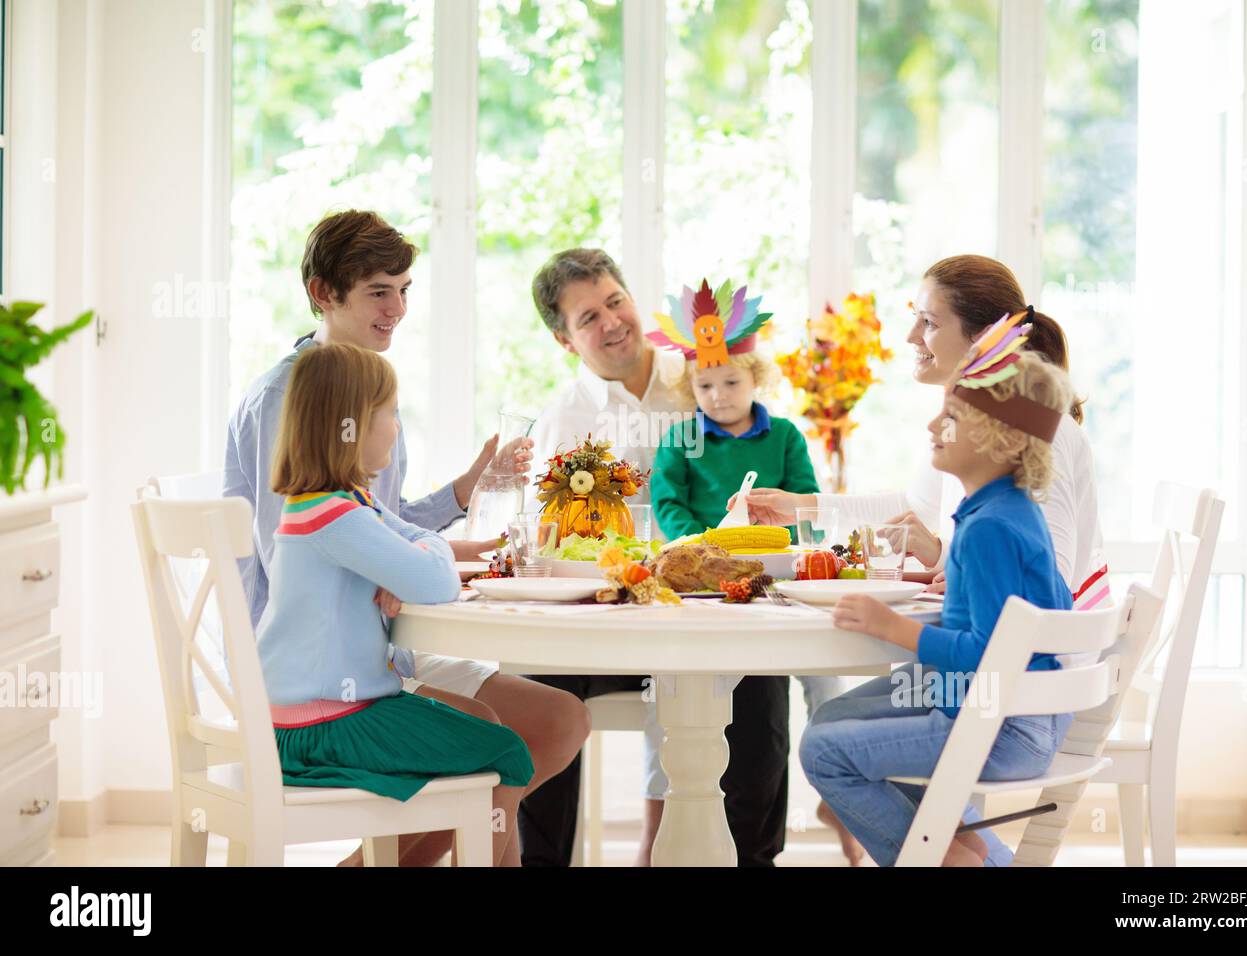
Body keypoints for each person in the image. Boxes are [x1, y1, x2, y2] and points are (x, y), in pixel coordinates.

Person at [224, 210, 589, 866]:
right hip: (322, 671)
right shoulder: (297, 397)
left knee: (559, 722)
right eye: (377, 291)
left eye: (403, 288)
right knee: (495, 744)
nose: (396, 307)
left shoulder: (357, 388)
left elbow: (378, 524)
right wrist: (403, 568)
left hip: (382, 649)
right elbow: (296, 557)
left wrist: (467, 489)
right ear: (323, 294)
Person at [520, 248, 791, 867]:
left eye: (616, 301)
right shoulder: (566, 417)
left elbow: (763, 449)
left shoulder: (698, 378)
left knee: (761, 678)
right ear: (565, 340)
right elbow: (550, 531)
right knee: (538, 682)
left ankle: (755, 859)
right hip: (606, 620)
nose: (611, 322)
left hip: (703, 607)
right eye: (588, 317)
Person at [801, 327, 1077, 867]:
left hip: (1003, 725)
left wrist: (891, 627)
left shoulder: (990, 528)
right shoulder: (1003, 511)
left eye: (951, 417)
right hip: (1009, 708)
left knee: (823, 751)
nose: (932, 424)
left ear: (1003, 440)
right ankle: (970, 850)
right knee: (831, 717)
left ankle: (941, 859)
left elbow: (987, 655)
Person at [258, 342, 534, 866]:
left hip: (308, 719)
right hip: (327, 728)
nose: (398, 427)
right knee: (506, 752)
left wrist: (422, 556)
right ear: (351, 426)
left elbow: (419, 542)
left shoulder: (335, 504)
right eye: (389, 413)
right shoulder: (337, 517)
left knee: (482, 718)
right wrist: (420, 560)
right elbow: (435, 579)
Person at [739, 254, 1109, 611]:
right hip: (987, 656)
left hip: (1028, 669)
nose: (910, 336)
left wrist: (949, 561)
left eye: (929, 322)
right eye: (914, 318)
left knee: (895, 674)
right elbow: (917, 509)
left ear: (984, 336)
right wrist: (803, 507)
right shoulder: (975, 422)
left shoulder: (1036, 428)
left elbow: (1050, 583)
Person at [647, 280, 853, 861]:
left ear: (755, 380)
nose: (717, 395)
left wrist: (764, 534)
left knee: (766, 718)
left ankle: (759, 850)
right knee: (708, 709)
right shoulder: (681, 437)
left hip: (768, 585)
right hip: (699, 590)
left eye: (730, 382)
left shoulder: (784, 435)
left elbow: (806, 499)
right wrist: (704, 543)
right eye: (704, 386)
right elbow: (668, 505)